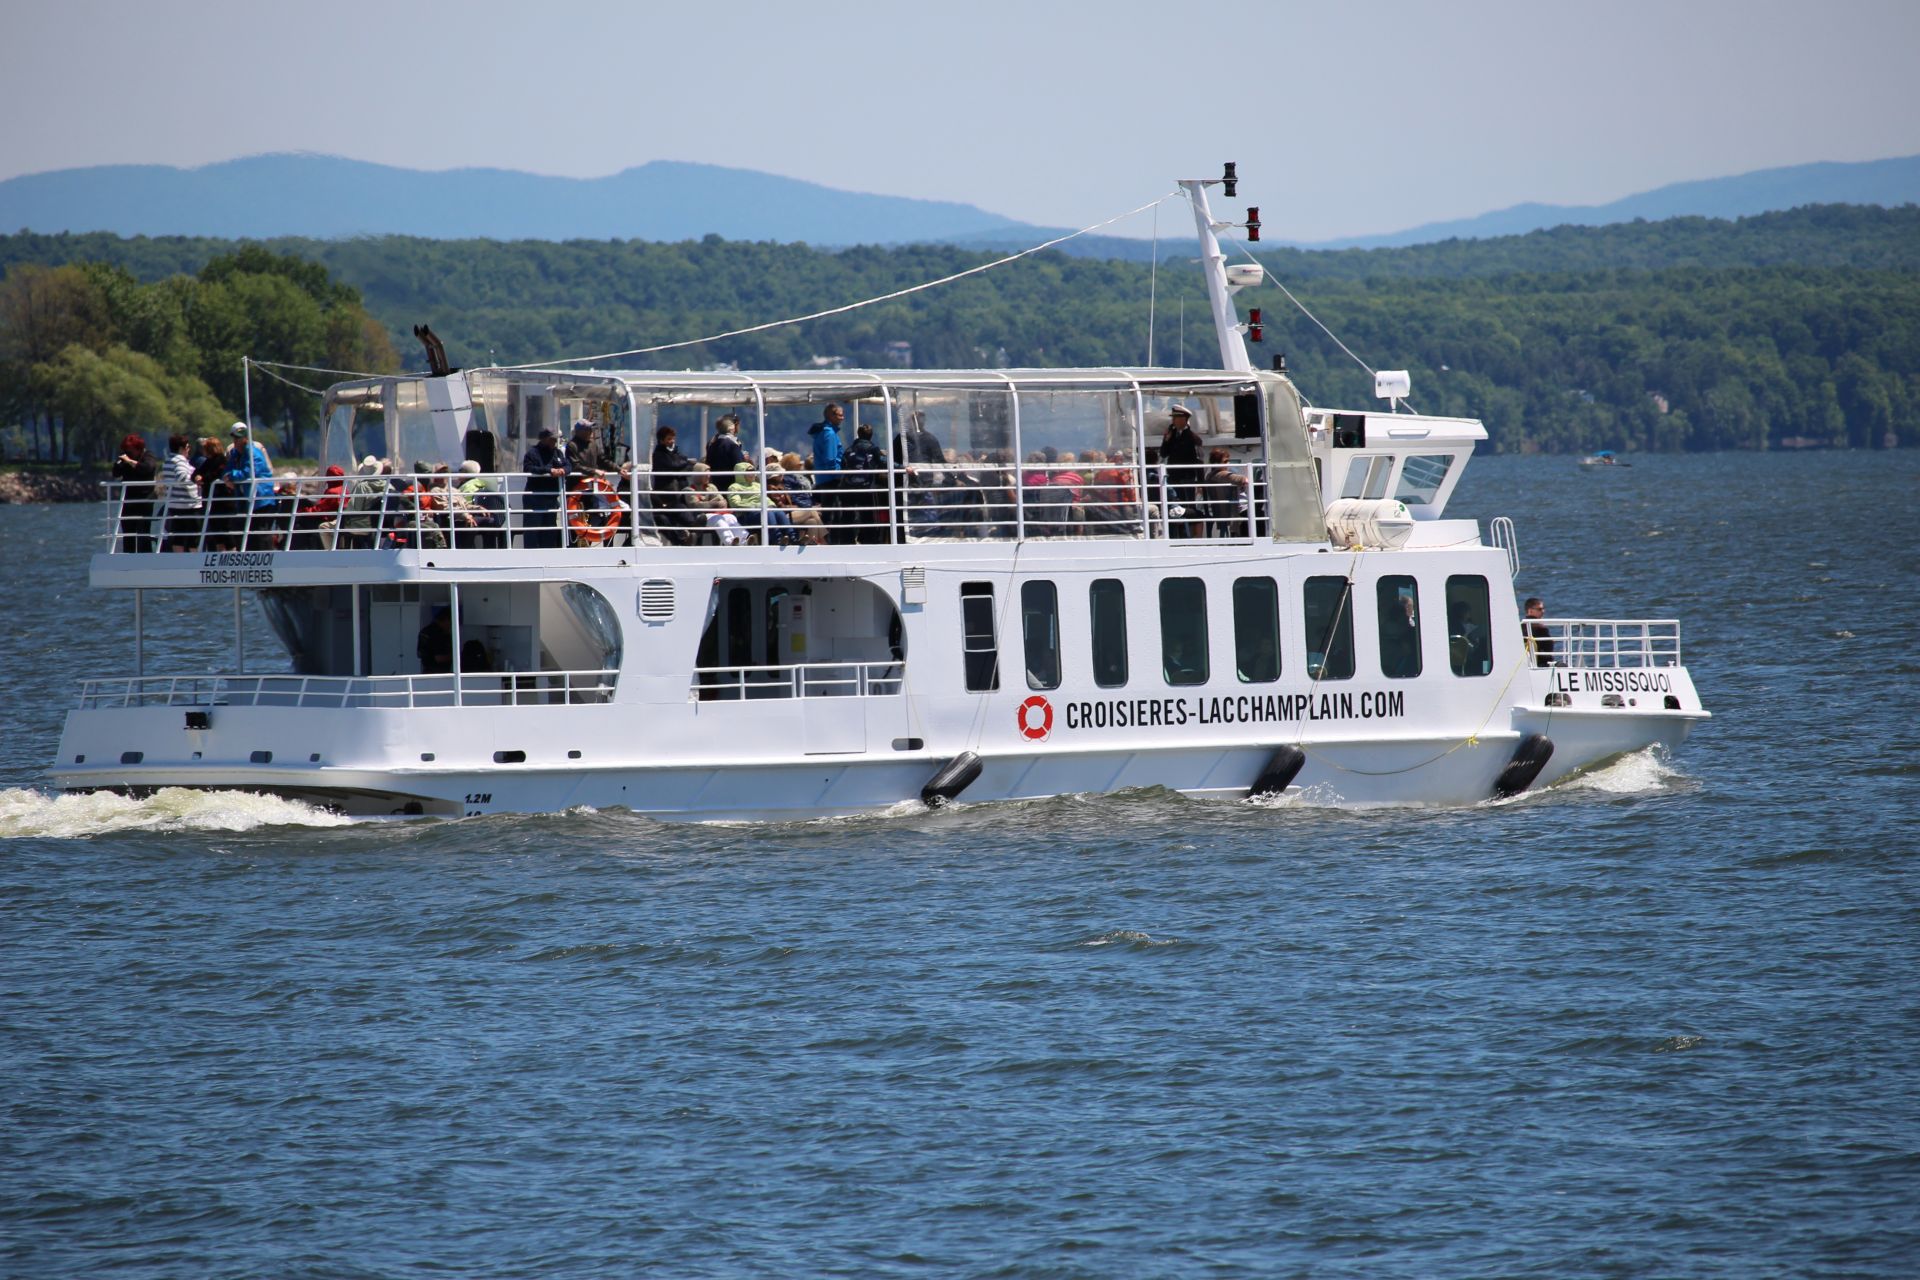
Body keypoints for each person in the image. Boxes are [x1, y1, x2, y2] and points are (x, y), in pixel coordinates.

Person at [225, 422, 278, 548]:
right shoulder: (235, 454)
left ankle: (266, 557)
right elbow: (228, 468)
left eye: (238, 438)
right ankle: (245, 554)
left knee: (261, 531)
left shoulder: (253, 453)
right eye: (234, 438)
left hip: (261, 498)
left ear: (245, 439)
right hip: (247, 500)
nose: (236, 441)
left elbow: (248, 472)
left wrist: (231, 476)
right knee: (240, 527)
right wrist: (227, 475)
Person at [1160, 404, 1203, 537]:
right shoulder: (1172, 436)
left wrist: (1200, 482)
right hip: (1173, 477)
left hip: (1186, 477)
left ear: (1184, 419)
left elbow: (1199, 460)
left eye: (1176, 418)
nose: (1173, 421)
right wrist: (1166, 440)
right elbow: (1163, 454)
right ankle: (1180, 534)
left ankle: (1188, 535)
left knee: (1187, 506)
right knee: (1175, 506)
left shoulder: (1193, 438)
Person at [111, 434, 158, 553]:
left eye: (130, 451)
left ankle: (145, 557)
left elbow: (147, 468)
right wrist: (120, 462)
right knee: (128, 532)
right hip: (128, 500)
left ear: (138, 448)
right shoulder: (125, 460)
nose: (128, 453)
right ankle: (129, 557)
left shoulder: (148, 456)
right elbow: (116, 473)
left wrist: (130, 461)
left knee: (143, 531)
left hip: (144, 500)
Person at [522, 427, 567, 549]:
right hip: (535, 498)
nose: (554, 442)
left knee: (549, 531)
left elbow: (568, 465)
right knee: (532, 530)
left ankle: (548, 556)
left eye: (555, 439)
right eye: (552, 439)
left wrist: (563, 470)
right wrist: (548, 470)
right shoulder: (532, 453)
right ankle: (530, 557)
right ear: (543, 439)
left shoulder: (558, 453)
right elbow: (529, 468)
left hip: (551, 498)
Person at [156, 435, 202, 553]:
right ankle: (194, 560)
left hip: (174, 504)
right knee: (194, 535)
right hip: (188, 505)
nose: (189, 449)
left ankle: (179, 558)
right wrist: (195, 480)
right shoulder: (179, 460)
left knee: (178, 536)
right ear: (181, 448)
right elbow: (181, 477)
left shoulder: (168, 461)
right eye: (187, 446)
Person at [417, 607, 454, 675]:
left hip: (426, 671)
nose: (450, 626)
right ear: (446, 620)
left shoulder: (424, 631)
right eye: (450, 623)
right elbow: (439, 658)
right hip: (439, 673)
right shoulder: (439, 633)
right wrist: (455, 656)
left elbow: (420, 653)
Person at [1524, 596, 1555, 667]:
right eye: (1540, 609)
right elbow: (1548, 651)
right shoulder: (1541, 628)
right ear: (1530, 611)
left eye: (1543, 609)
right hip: (1542, 663)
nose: (1543, 611)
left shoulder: (1521, 626)